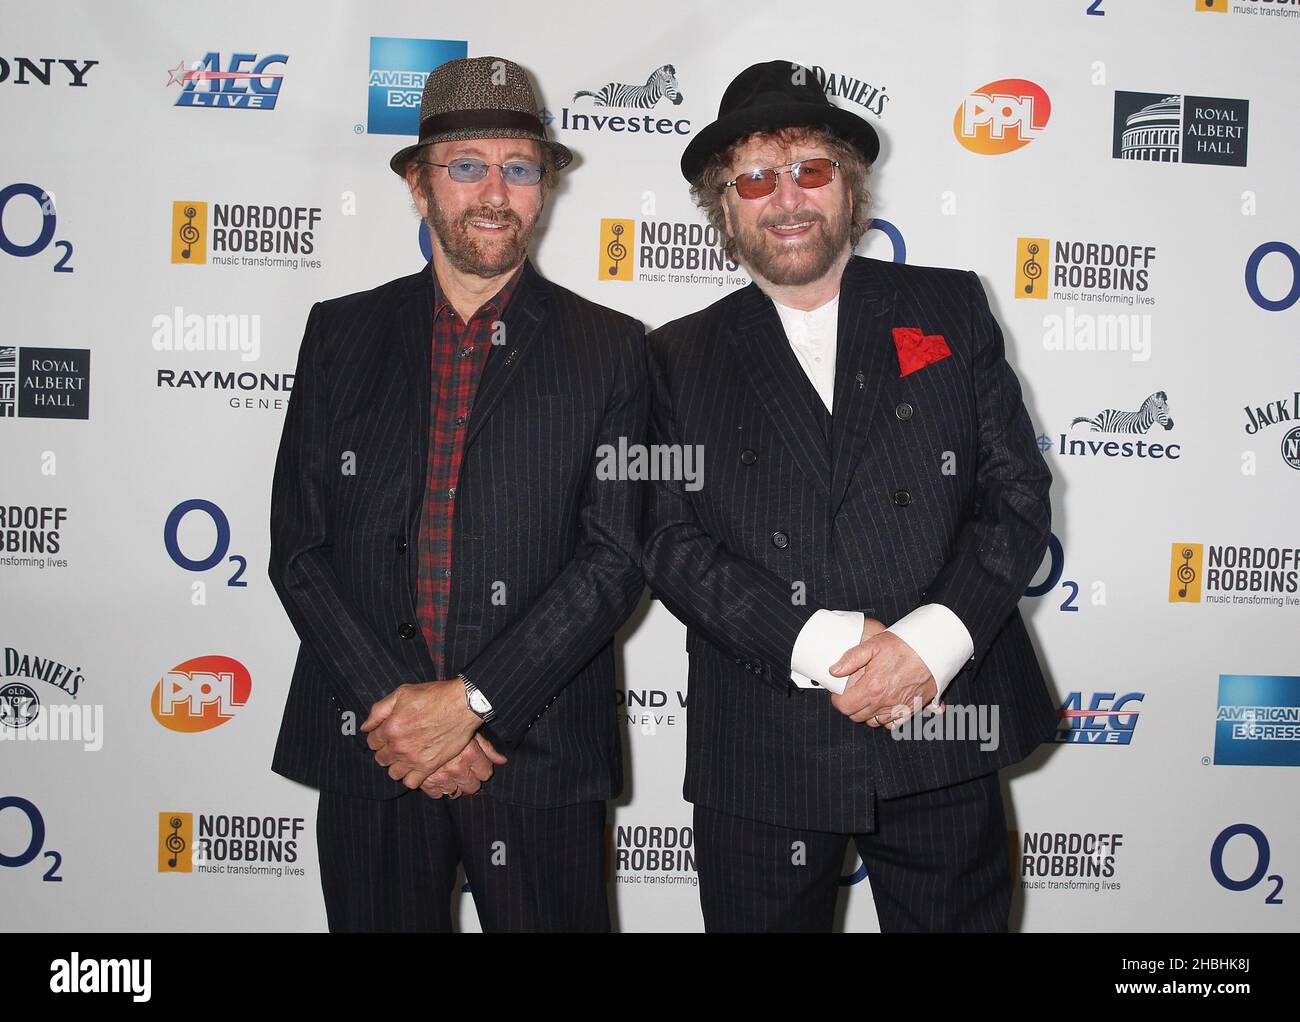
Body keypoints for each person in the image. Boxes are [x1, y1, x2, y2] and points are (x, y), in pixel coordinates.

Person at [642, 60, 1058, 932]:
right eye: (754, 177)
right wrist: (822, 641)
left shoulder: (947, 307)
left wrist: (928, 645)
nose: (785, 197)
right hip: (761, 746)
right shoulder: (674, 357)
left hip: (940, 719)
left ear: (850, 187)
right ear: (724, 207)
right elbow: (667, 540)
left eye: (810, 170)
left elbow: (1014, 491)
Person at [268, 55, 646, 932]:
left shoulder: (613, 348)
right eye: (466, 164)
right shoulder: (340, 334)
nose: (494, 192)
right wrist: (398, 713)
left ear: (544, 188)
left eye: (520, 168)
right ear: (417, 183)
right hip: (373, 748)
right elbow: (299, 544)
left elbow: (615, 557)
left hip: (539, 750)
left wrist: (472, 705)